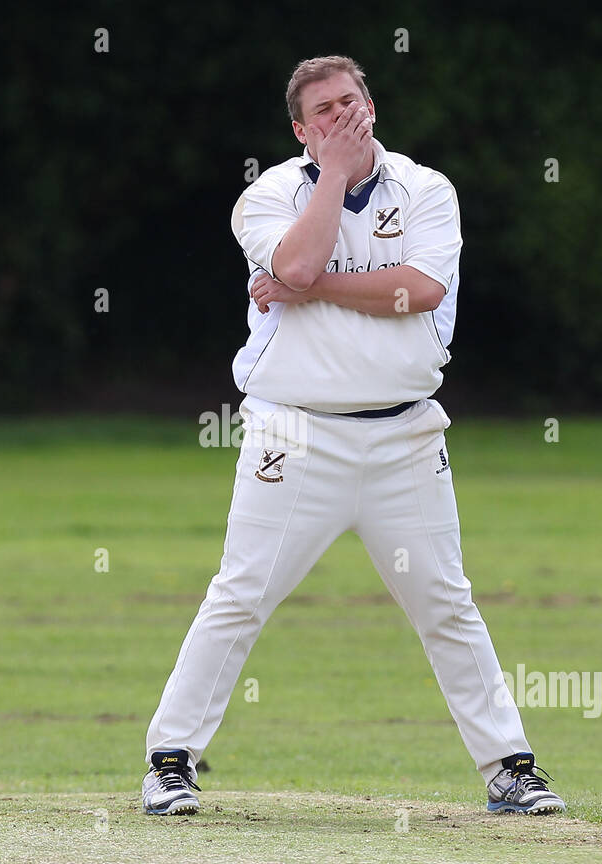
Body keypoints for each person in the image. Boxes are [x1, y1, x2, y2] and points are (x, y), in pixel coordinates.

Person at [141, 55, 564, 817]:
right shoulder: (268, 195)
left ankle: (511, 768)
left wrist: (313, 288)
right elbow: (296, 257)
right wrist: (329, 180)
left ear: (373, 105)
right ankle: (170, 760)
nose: (343, 116)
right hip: (293, 434)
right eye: (324, 112)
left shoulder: (427, 189)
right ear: (302, 130)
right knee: (241, 593)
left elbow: (418, 290)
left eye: (351, 101)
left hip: (404, 435)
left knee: (445, 602)